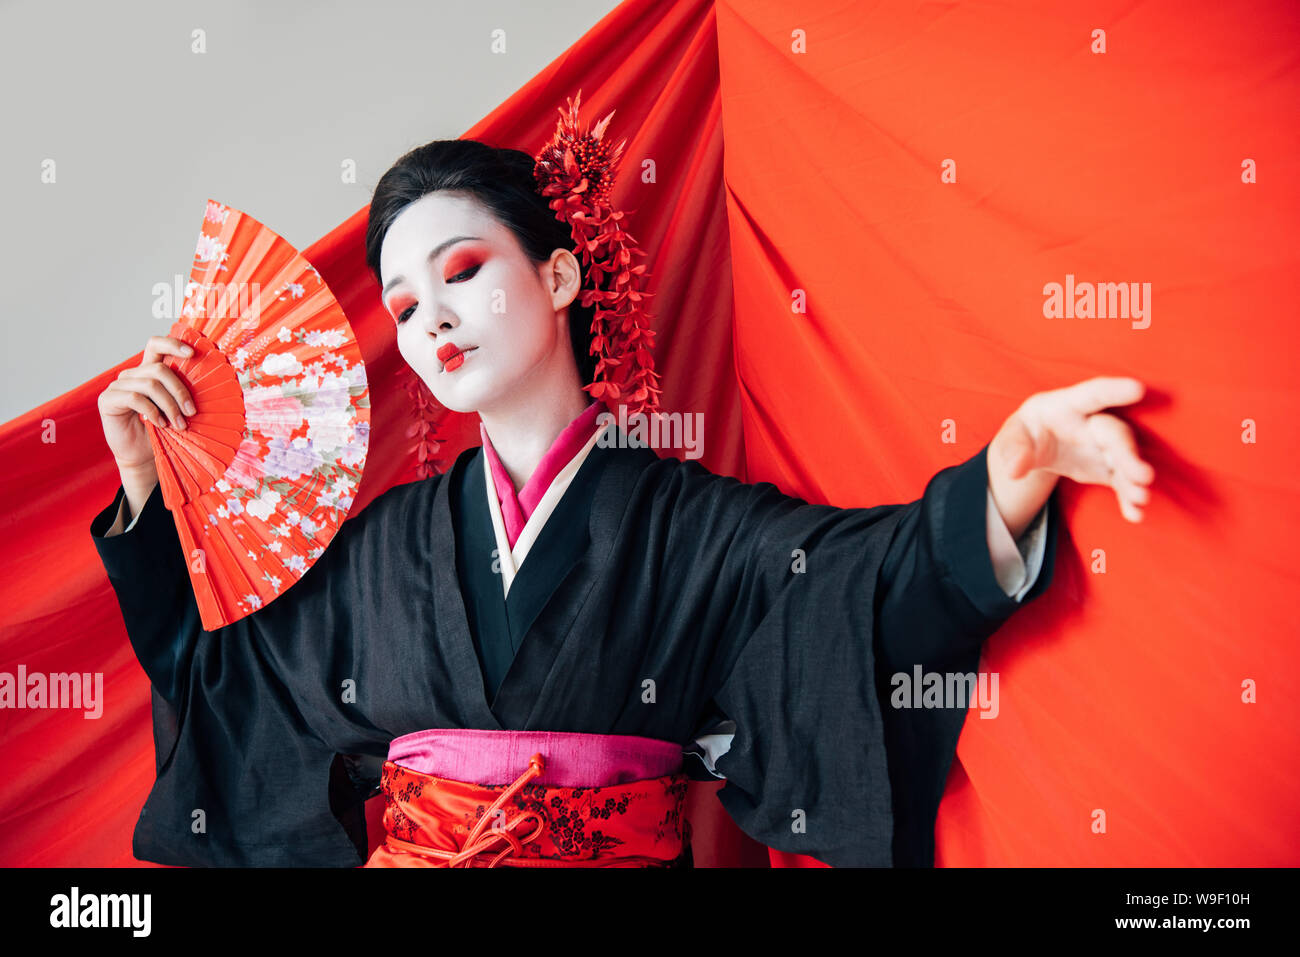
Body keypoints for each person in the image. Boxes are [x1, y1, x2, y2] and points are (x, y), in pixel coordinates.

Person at [91, 134, 1154, 868]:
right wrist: (151, 488)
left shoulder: (688, 528)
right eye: (406, 304)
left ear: (557, 280)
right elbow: (224, 681)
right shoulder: (383, 552)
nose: (432, 320)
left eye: (463, 270)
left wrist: (1009, 474)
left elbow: (857, 587)